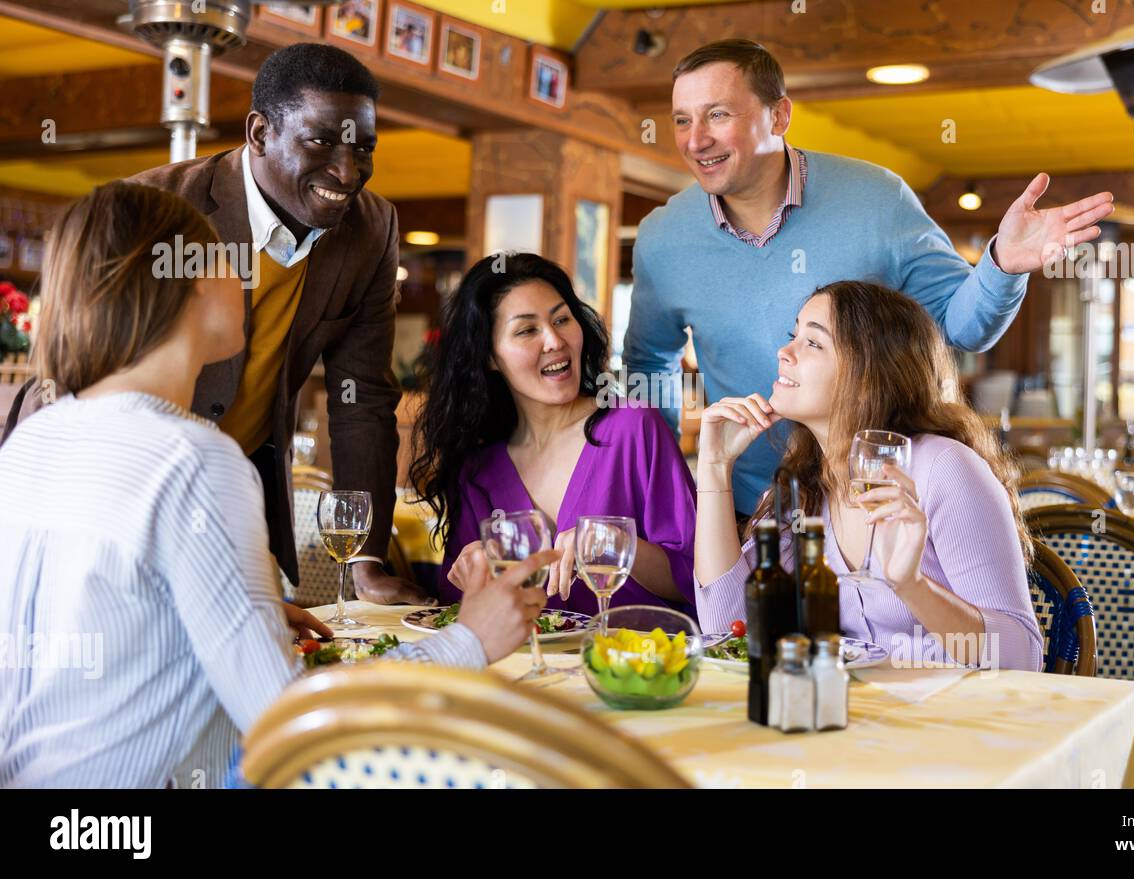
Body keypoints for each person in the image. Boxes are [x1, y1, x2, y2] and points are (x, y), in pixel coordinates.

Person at [0, 182, 553, 788]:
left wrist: (237, 616)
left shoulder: (36, 438)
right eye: (224, 258)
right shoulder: (196, 461)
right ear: (178, 283)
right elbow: (289, 718)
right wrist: (470, 640)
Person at [2, 43, 422, 605]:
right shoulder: (151, 208)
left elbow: (363, 397)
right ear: (259, 133)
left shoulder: (371, 228)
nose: (347, 172)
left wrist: (365, 559)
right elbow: (73, 359)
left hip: (236, 489)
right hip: (107, 484)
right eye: (321, 140)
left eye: (363, 147)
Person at [624, 39, 1115, 518]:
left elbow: (963, 329)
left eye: (718, 115)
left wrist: (1002, 265)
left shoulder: (878, 199)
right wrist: (670, 482)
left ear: (779, 116)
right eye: (682, 120)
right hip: (743, 510)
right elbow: (648, 362)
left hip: (875, 504)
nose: (695, 140)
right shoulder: (664, 238)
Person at [693, 279, 1043, 671]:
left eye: (813, 343)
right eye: (794, 336)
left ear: (866, 374)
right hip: (850, 720)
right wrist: (715, 468)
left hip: (950, 720)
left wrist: (912, 586)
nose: (784, 352)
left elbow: (1021, 657)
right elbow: (727, 628)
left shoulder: (942, 469)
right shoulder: (803, 483)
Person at [411, 253, 697, 616]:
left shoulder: (633, 427)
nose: (554, 340)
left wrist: (614, 543)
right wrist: (474, 576)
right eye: (527, 330)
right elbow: (461, 611)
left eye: (562, 319)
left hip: (636, 662)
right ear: (489, 357)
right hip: (525, 668)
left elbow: (693, 579)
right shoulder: (477, 471)